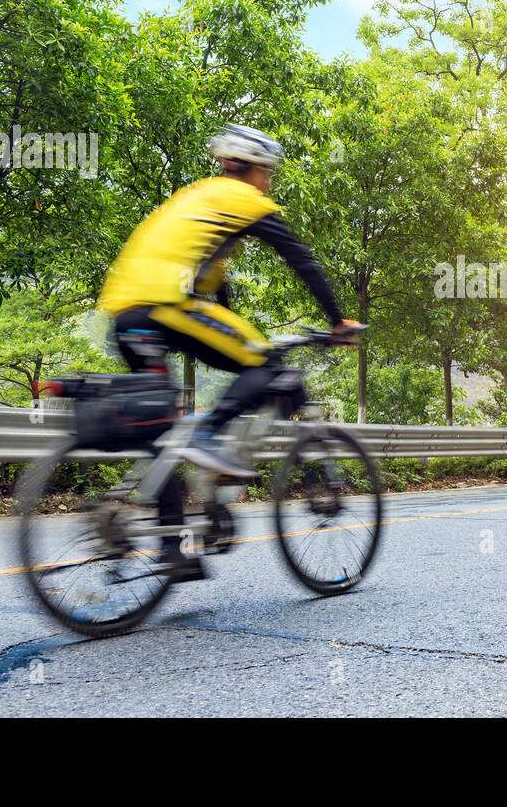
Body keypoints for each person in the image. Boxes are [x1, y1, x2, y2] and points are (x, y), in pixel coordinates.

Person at [97, 124, 360, 577]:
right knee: (266, 362)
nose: (268, 182)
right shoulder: (246, 201)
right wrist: (338, 320)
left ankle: (174, 549)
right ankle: (210, 433)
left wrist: (237, 332)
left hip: (124, 313)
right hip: (169, 305)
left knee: (162, 430)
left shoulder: (197, 200)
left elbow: (217, 294)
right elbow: (301, 259)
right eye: (267, 173)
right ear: (252, 169)